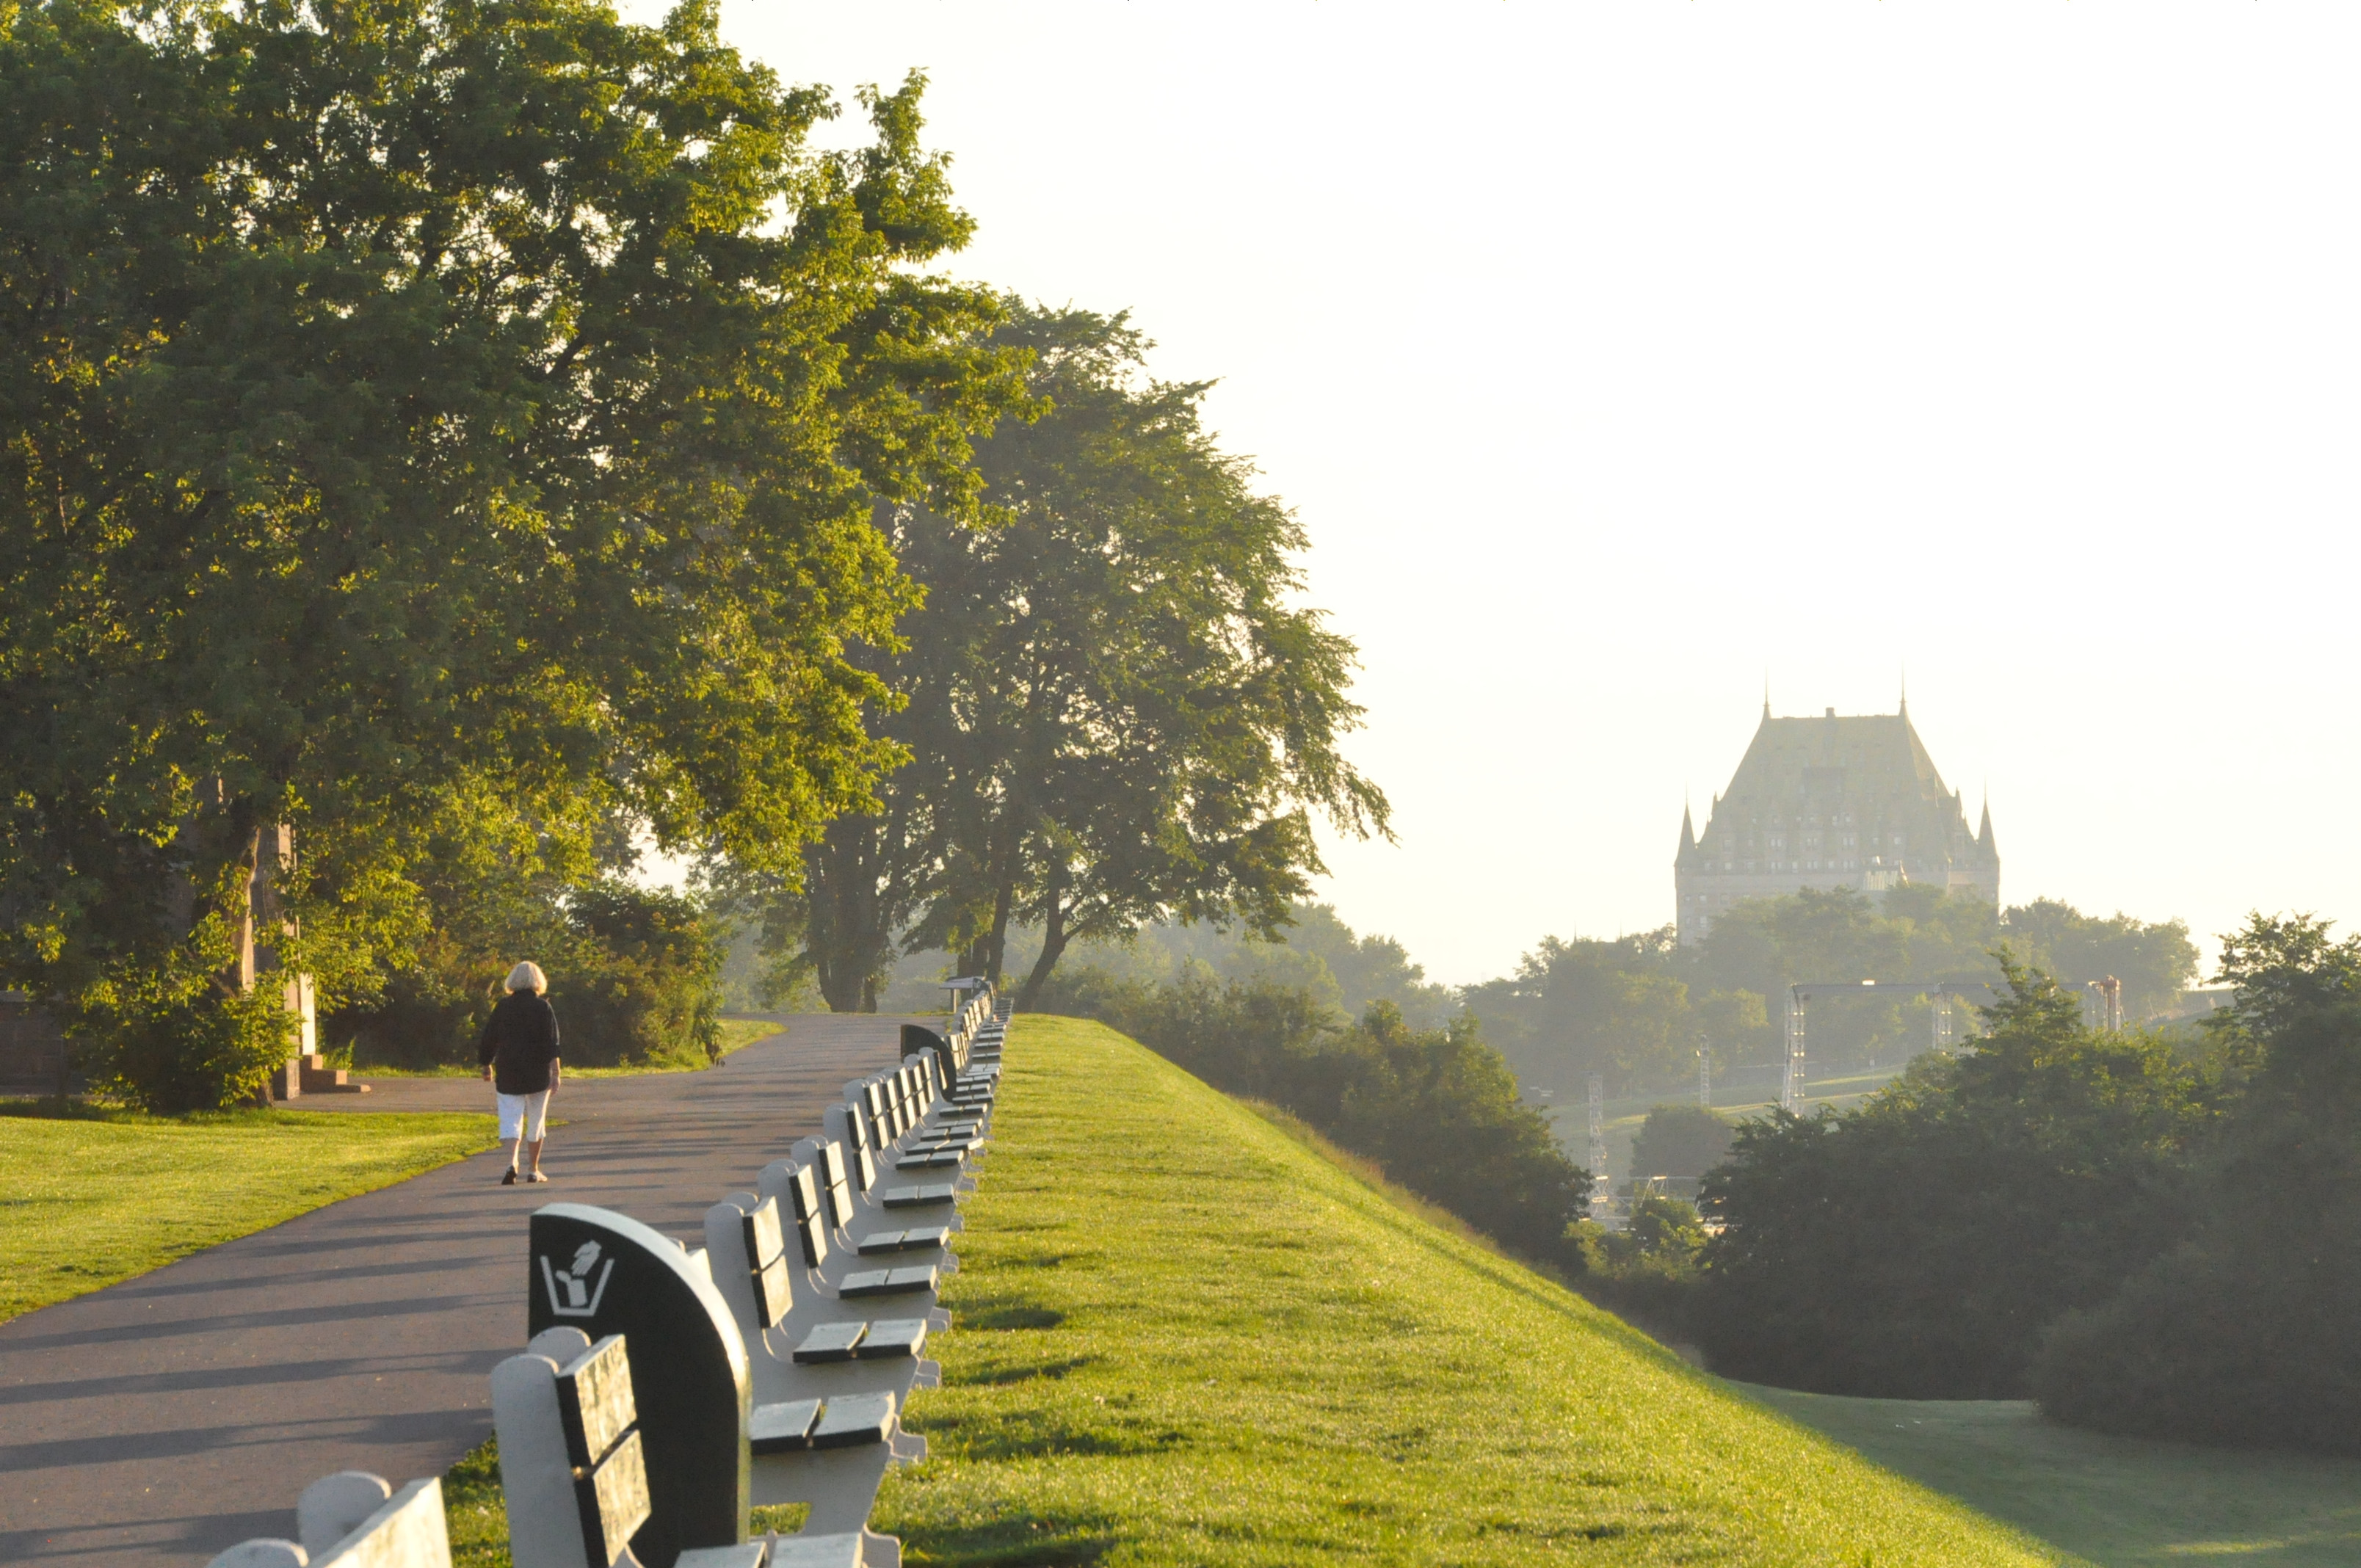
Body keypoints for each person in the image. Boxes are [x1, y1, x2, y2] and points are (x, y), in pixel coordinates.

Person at [479, 961, 561, 1184]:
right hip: (537, 1072)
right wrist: (556, 1073)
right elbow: (552, 1043)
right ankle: (534, 1169)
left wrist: (486, 1064)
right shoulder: (543, 1007)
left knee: (510, 1118)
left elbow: (489, 1037)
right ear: (538, 980)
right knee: (536, 1121)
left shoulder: (503, 1006)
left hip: (509, 1070)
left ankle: (511, 1161)